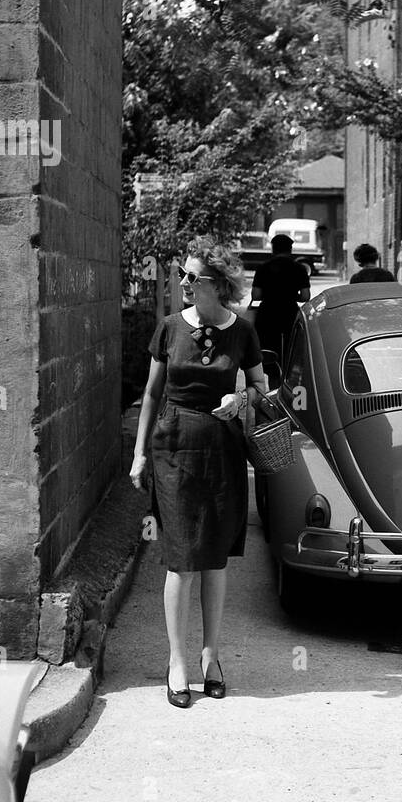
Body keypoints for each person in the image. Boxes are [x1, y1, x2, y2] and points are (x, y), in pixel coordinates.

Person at [131, 237, 270, 707]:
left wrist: (241, 399)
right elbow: (151, 395)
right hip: (174, 446)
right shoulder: (169, 328)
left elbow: (262, 390)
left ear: (219, 285)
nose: (185, 283)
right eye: (183, 275)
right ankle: (177, 662)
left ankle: (211, 657)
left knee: (213, 557)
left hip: (223, 449)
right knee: (181, 557)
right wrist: (139, 455)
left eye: (194, 277)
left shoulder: (243, 332)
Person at [251, 233, 311, 380]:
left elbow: (256, 295)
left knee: (270, 355)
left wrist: (271, 293)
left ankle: (273, 387)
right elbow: (305, 296)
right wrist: (290, 295)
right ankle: (287, 388)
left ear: (273, 249)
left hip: (267, 316)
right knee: (290, 354)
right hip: (290, 314)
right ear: (290, 249)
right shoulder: (299, 269)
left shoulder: (263, 268)